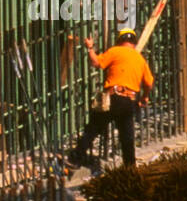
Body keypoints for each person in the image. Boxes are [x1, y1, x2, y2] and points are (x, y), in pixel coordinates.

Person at [66, 27, 154, 169]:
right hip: (128, 101)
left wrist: (90, 48)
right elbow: (149, 82)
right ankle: (130, 170)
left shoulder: (115, 51)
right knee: (127, 138)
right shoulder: (140, 59)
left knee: (93, 129)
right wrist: (144, 97)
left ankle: (75, 159)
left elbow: (96, 63)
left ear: (120, 40)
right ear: (134, 43)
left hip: (112, 98)